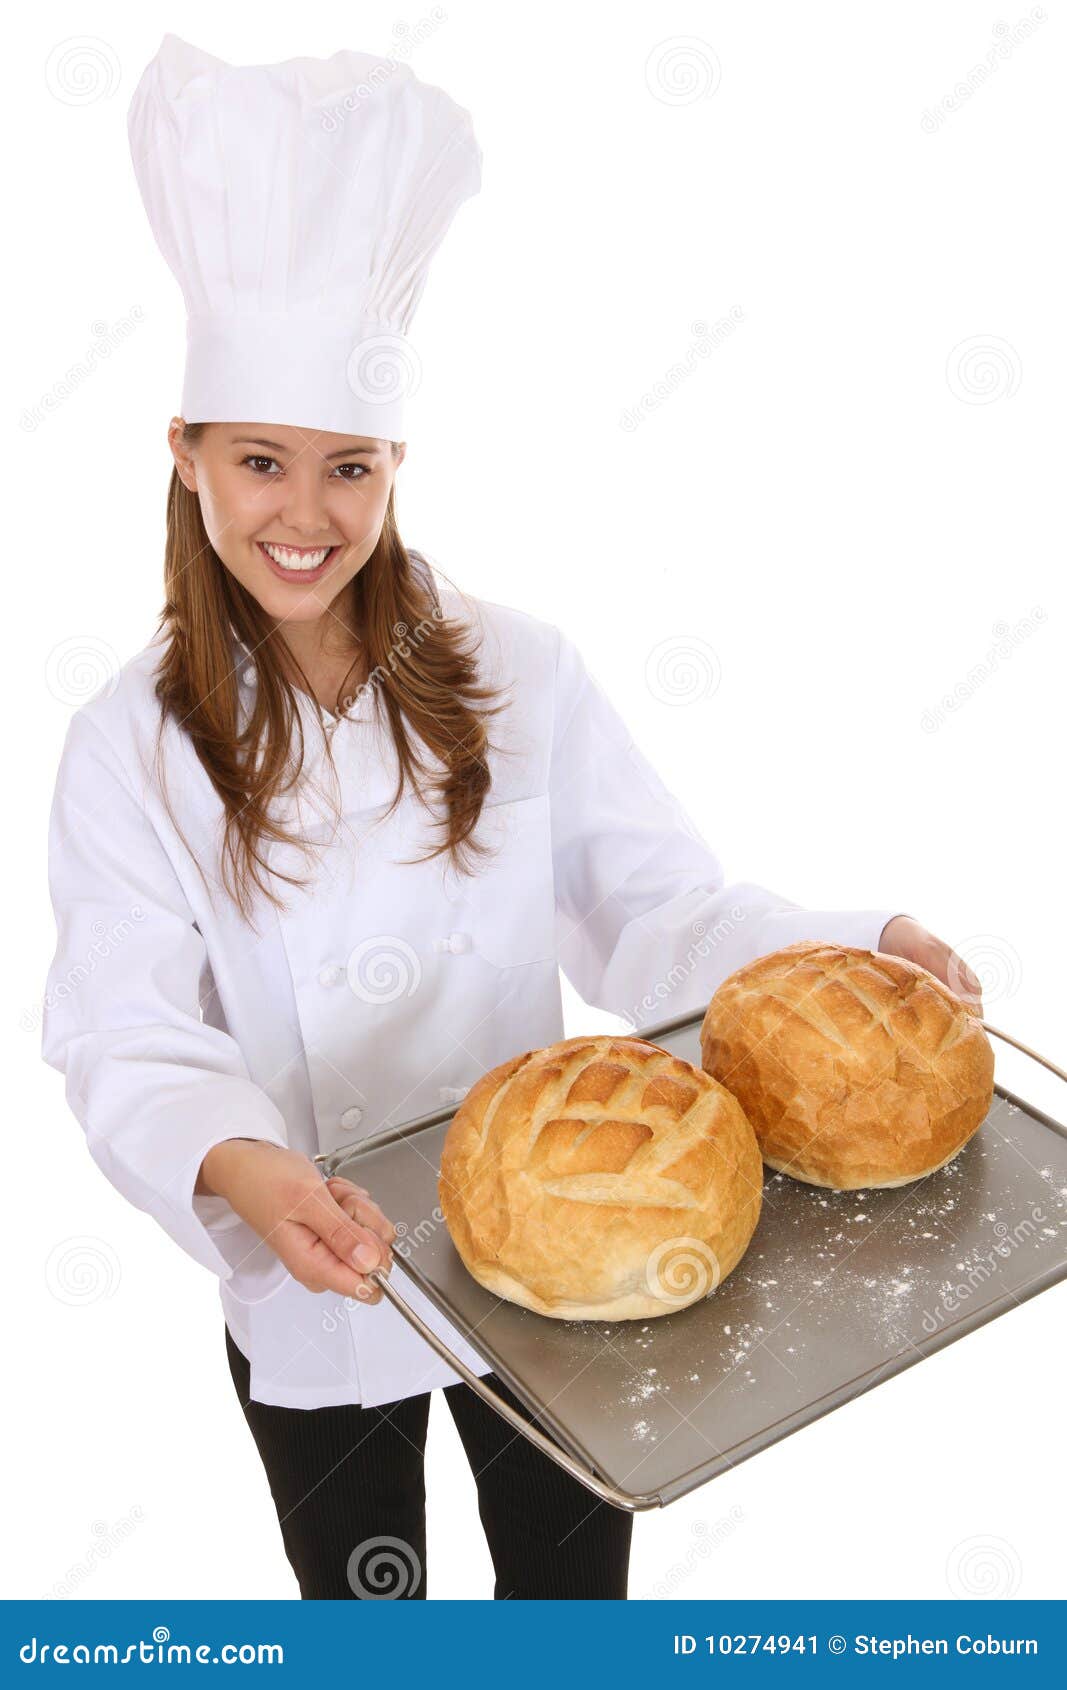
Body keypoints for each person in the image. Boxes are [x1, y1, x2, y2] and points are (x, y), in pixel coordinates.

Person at [41, 36, 983, 1602]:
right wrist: (248, 1168)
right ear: (185, 455)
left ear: (397, 465)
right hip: (308, 1271)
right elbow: (124, 1027)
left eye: (349, 468)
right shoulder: (124, 748)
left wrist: (854, 940)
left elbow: (658, 908)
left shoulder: (516, 669)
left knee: (568, 1607)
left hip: (561, 1248)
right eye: (259, 460)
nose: (305, 513)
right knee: (373, 1618)